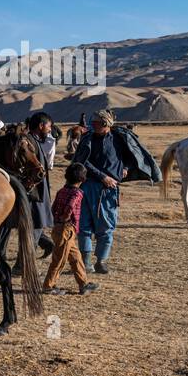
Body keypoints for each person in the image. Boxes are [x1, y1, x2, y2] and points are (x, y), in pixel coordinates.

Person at [71, 109, 127, 274]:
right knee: (84, 225)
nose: (91, 125)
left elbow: (130, 157)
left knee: (106, 225)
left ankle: (101, 262)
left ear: (105, 124)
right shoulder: (87, 139)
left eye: (95, 123)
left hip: (109, 190)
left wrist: (125, 167)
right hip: (88, 186)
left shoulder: (119, 139)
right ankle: (86, 263)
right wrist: (102, 176)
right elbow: (83, 161)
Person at [43, 163, 99, 296]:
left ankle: (83, 284)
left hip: (59, 228)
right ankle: (48, 286)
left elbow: (53, 207)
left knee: (76, 257)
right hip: (67, 229)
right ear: (82, 179)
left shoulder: (61, 191)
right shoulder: (78, 193)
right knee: (59, 259)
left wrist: (57, 220)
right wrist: (65, 218)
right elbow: (70, 206)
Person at [26, 111, 57, 259]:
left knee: (37, 226)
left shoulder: (34, 141)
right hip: (35, 194)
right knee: (36, 226)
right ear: (41, 126)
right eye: (49, 127)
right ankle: (22, 263)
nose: (50, 130)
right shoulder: (30, 143)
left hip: (38, 193)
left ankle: (45, 244)